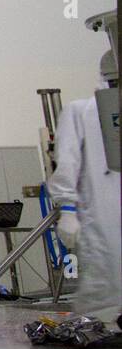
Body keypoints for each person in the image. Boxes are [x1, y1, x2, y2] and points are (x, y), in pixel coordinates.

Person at [47, 52, 121, 324]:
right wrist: (67, 209)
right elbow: (66, 161)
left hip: (103, 216)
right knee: (105, 288)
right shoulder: (82, 111)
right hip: (100, 215)